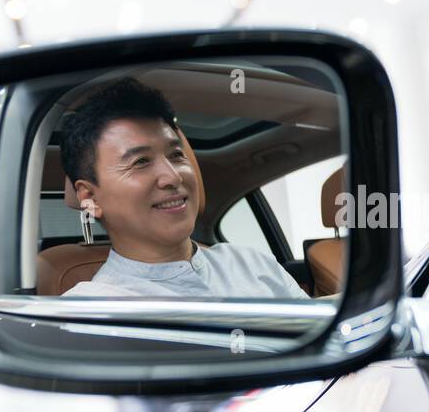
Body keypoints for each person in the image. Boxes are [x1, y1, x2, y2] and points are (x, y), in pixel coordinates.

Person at [57, 77, 307, 300]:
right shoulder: (91, 308)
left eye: (176, 154)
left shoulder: (252, 264)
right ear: (90, 198)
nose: (172, 176)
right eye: (140, 161)